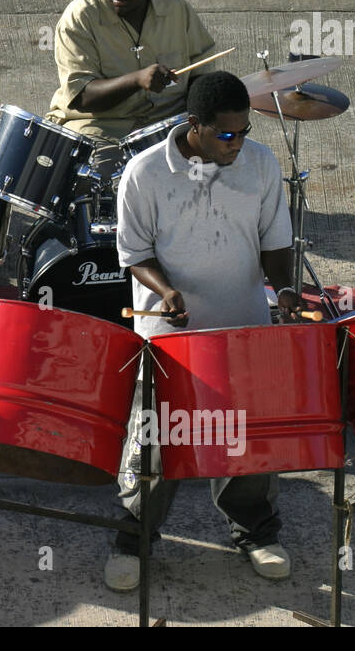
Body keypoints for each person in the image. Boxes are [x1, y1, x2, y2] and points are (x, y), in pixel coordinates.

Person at [104, 71, 302, 591]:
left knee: (245, 441)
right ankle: (134, 537)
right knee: (154, 441)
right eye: (226, 134)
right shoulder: (144, 173)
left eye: (244, 132)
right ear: (195, 126)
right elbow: (135, 254)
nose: (237, 144)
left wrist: (283, 291)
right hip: (169, 336)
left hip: (242, 329)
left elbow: (274, 244)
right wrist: (166, 293)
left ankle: (256, 533)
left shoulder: (259, 164)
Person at [45, 0, 217, 143]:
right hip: (100, 126)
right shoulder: (81, 16)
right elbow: (82, 97)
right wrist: (137, 80)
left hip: (167, 123)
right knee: (100, 171)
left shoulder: (175, 7)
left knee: (218, 158)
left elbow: (202, 73)